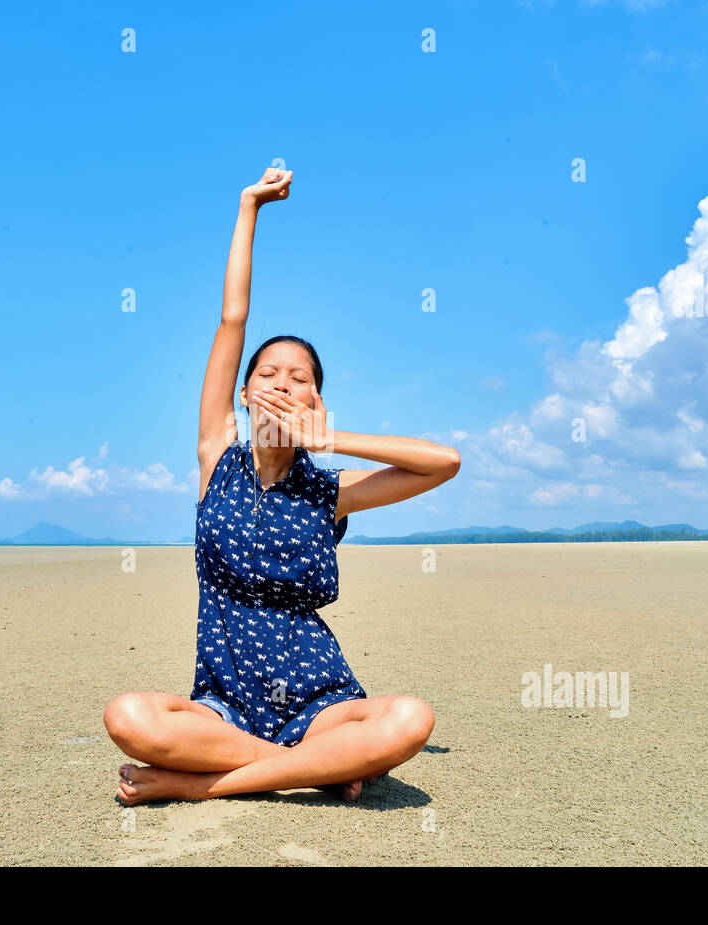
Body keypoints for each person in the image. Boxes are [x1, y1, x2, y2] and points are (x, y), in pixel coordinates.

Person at [104, 167, 461, 805]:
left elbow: (443, 462)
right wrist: (249, 208)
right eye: (268, 373)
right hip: (225, 696)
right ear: (243, 393)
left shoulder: (332, 491)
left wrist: (333, 441)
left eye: (299, 378)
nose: (281, 383)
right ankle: (317, 768)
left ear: (316, 399)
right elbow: (231, 320)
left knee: (411, 718)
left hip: (320, 695)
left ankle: (202, 788)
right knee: (127, 716)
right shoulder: (218, 457)